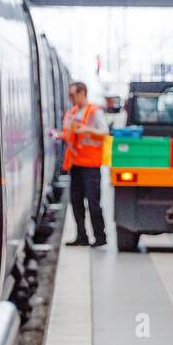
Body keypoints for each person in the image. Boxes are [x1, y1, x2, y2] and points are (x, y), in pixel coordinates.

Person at [60, 81, 109, 247]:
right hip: (76, 164)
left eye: (73, 94)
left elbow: (104, 132)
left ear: (82, 93)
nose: (70, 98)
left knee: (93, 202)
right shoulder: (73, 112)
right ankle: (81, 236)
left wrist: (87, 130)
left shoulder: (94, 112)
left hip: (91, 165)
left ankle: (100, 237)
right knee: (76, 201)